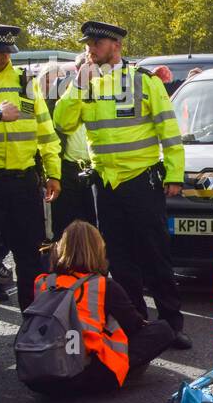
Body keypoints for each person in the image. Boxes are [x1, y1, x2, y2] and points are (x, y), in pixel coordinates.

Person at [53, 20, 191, 350]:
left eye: (96, 43)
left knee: (155, 255)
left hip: (141, 180)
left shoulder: (144, 82)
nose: (90, 48)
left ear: (115, 46)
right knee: (119, 259)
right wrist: (78, 85)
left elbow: (169, 134)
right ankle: (138, 322)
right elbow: (63, 121)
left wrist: (174, 175)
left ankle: (172, 324)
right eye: (87, 43)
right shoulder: (84, 83)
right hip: (105, 183)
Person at [0, 23, 60, 369]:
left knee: (31, 262)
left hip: (22, 184)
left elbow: (45, 132)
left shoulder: (23, 82)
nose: (6, 59)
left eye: (7, 54)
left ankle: (34, 334)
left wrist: (53, 171)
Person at [24, 221, 174, 397]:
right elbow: (134, 324)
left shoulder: (43, 282)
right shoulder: (103, 286)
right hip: (80, 375)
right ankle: (114, 373)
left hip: (39, 376)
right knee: (162, 330)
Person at [40, 61, 95, 237]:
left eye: (60, 80)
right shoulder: (50, 107)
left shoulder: (92, 98)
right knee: (66, 228)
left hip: (92, 170)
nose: (56, 85)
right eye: (50, 82)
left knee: (93, 226)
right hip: (66, 171)